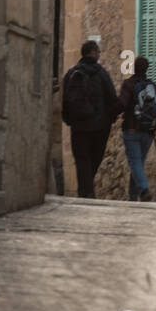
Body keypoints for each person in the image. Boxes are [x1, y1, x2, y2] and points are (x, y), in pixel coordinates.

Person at [62, 40, 121, 198]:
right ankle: (87, 191)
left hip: (79, 127)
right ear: (92, 53)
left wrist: (69, 120)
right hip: (99, 127)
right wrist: (110, 118)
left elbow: (65, 100)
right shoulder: (102, 74)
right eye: (98, 52)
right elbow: (112, 98)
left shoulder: (71, 73)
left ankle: (85, 191)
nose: (99, 54)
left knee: (82, 160)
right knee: (94, 159)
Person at [119, 55, 156, 201]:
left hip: (132, 130)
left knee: (135, 162)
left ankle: (144, 190)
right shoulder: (153, 87)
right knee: (137, 162)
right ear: (147, 69)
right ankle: (132, 197)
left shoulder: (129, 85)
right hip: (148, 133)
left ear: (133, 68)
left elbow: (122, 104)